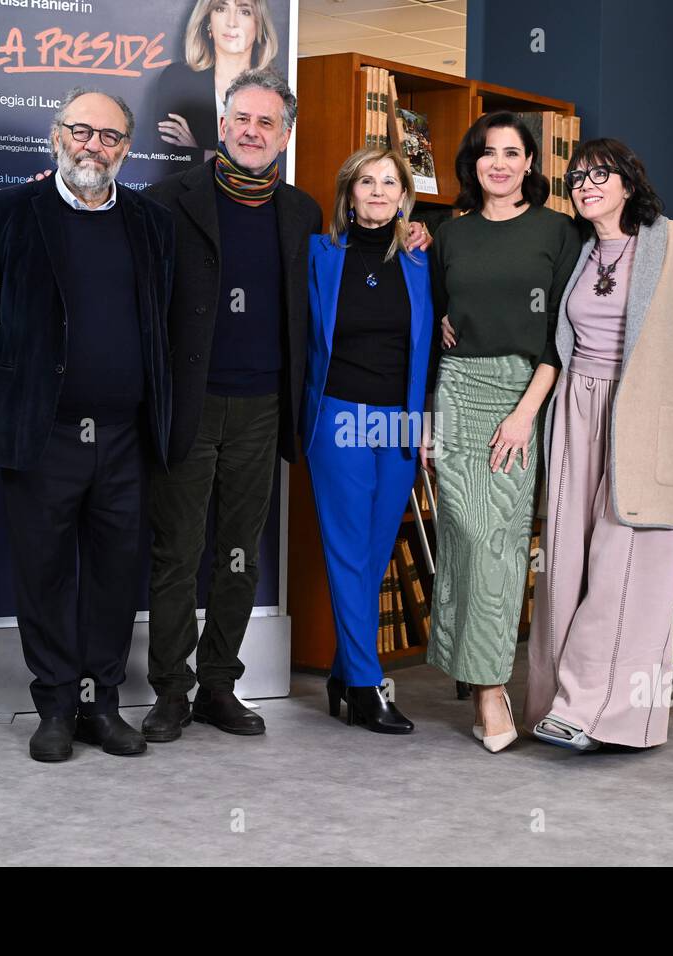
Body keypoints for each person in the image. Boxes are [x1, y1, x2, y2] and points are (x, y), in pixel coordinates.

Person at [139, 70, 430, 741]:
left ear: (286, 134)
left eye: (267, 122)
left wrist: (418, 234)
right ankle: (170, 693)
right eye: (242, 119)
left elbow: (372, 263)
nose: (252, 131)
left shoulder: (301, 216)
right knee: (178, 552)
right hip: (191, 403)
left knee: (240, 552)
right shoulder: (166, 201)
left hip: (267, 406)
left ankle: (219, 686)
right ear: (223, 124)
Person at [0, 88, 175, 762]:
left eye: (109, 137)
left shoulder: (150, 223)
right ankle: (53, 703)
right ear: (57, 137)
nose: (93, 146)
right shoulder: (6, 213)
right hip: (42, 434)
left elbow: (161, 323)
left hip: (126, 436)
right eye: (81, 131)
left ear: (126, 150)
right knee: (44, 572)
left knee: (114, 574)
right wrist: (25, 376)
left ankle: (101, 705)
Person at [519, 139, 673, 751]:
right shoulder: (575, 251)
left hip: (643, 417)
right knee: (565, 564)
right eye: (577, 177)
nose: (586, 185)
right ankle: (556, 703)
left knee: (627, 568)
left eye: (601, 175)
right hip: (576, 410)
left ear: (630, 183)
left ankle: (600, 715)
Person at [425, 111, 579, 753]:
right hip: (457, 390)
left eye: (513, 153)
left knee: (499, 541)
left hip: (521, 394)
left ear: (530, 164)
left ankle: (489, 686)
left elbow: (562, 335)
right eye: (488, 153)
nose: (499, 163)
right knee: (463, 534)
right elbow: (433, 315)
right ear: (473, 163)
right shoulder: (448, 235)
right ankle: (481, 680)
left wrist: (526, 412)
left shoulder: (559, 231)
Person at [304, 147, 434, 734]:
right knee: (348, 548)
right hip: (339, 417)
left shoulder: (421, 260)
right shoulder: (319, 255)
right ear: (348, 193)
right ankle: (364, 683)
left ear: (405, 195)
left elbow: (435, 342)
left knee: (376, 552)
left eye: (390, 182)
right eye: (366, 181)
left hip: (399, 421)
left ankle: (340, 668)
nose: (378, 191)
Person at [153, 0, 280, 159]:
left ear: (259, 27)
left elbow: (266, 163)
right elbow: (167, 158)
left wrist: (197, 153)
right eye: (221, 9)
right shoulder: (177, 79)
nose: (231, 22)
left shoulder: (274, 93)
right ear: (208, 21)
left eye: (244, 11)